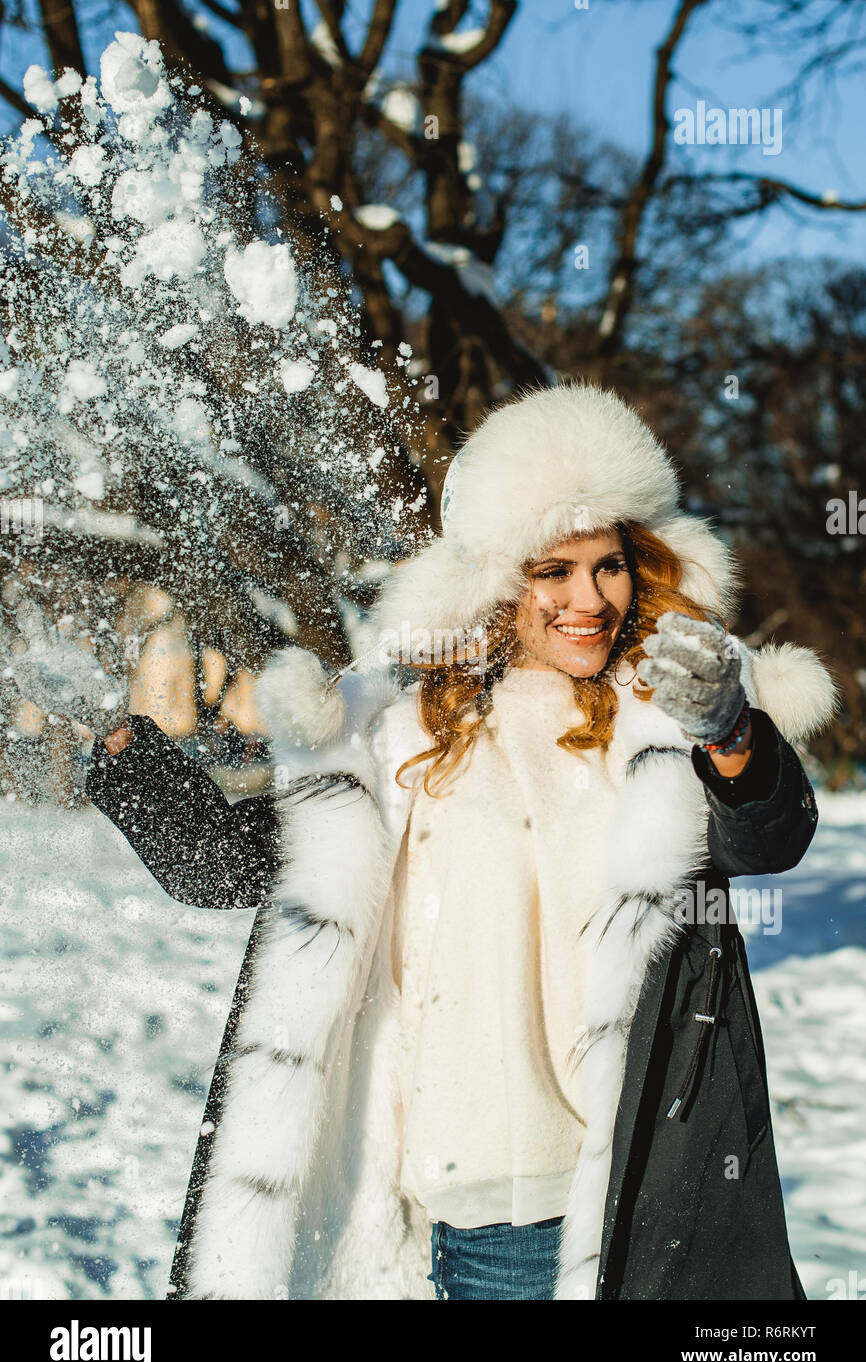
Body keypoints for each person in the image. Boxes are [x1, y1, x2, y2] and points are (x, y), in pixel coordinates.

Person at [4, 381, 839, 1301]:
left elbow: (770, 836)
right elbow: (225, 866)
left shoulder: (660, 720)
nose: (589, 598)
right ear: (495, 579)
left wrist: (729, 731)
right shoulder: (407, 736)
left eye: (609, 566)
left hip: (619, 1208)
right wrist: (119, 746)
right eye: (553, 571)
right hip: (465, 1217)